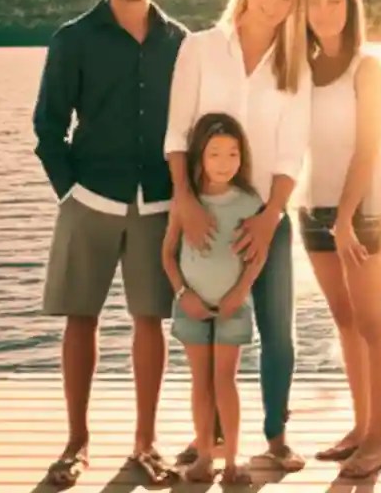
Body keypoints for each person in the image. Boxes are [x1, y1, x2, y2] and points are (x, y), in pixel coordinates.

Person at [31, 0, 189, 487]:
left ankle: (145, 444)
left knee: (152, 320)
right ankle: (76, 442)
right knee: (82, 318)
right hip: (90, 197)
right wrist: (69, 189)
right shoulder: (74, 38)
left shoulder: (179, 41)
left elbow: (192, 124)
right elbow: (48, 125)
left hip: (157, 202)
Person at [164, 0, 311, 471]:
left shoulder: (296, 66)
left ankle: (275, 435)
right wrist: (184, 201)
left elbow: (292, 150)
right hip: (206, 216)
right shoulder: (201, 48)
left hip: (267, 215)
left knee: (277, 330)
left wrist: (271, 216)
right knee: (205, 329)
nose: (275, 3)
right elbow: (179, 132)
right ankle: (208, 439)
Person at [297, 0, 381, 478]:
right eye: (314, 1)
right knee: (344, 321)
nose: (324, 11)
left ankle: (377, 439)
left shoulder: (367, 67)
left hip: (363, 213)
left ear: (350, 8)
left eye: (335, 1)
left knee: (371, 321)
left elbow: (368, 144)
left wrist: (347, 217)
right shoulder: (301, 68)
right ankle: (358, 430)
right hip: (313, 210)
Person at [161, 112, 265, 485]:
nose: (224, 164)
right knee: (200, 381)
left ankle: (233, 461)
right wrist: (182, 294)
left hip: (233, 307)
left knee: (225, 381)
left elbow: (258, 255)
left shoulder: (249, 202)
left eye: (233, 154)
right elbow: (167, 254)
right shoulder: (186, 202)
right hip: (191, 305)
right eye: (215, 154)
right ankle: (205, 456)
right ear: (199, 157)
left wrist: (240, 291)